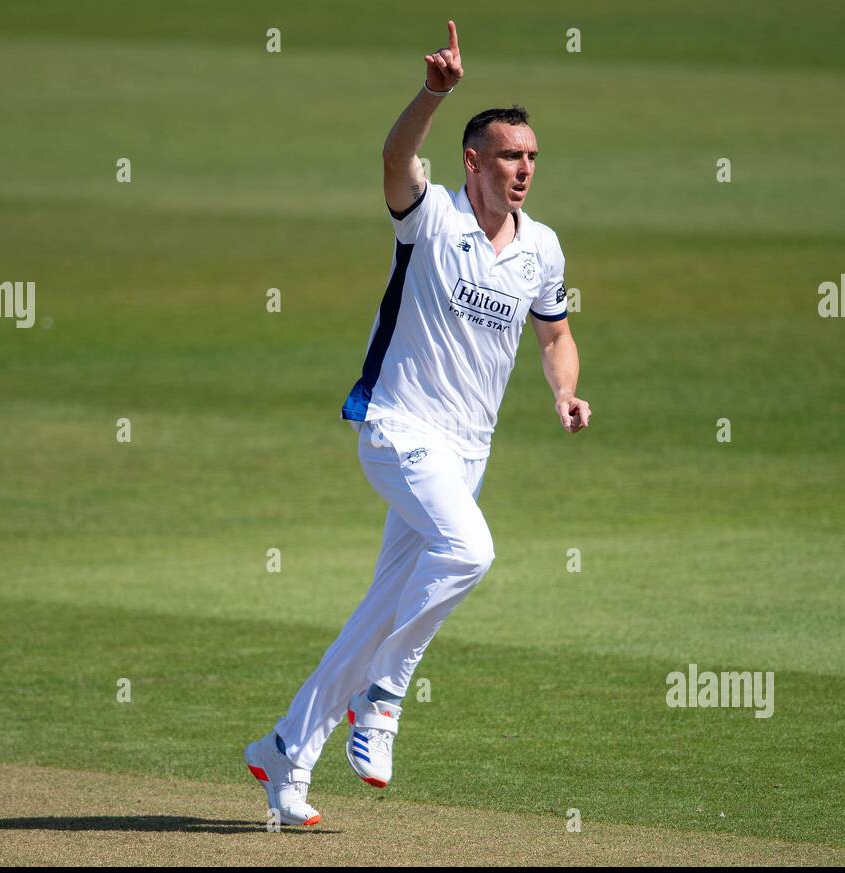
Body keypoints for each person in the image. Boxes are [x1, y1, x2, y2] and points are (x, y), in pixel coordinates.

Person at [244, 20, 591, 826]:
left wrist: (562, 393)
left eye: (533, 156)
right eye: (510, 155)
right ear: (474, 162)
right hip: (398, 428)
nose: (525, 168)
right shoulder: (428, 214)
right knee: (471, 550)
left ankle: (285, 752)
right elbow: (394, 161)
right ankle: (387, 695)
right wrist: (434, 93)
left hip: (468, 452)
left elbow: (557, 334)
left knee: (376, 613)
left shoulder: (541, 248)